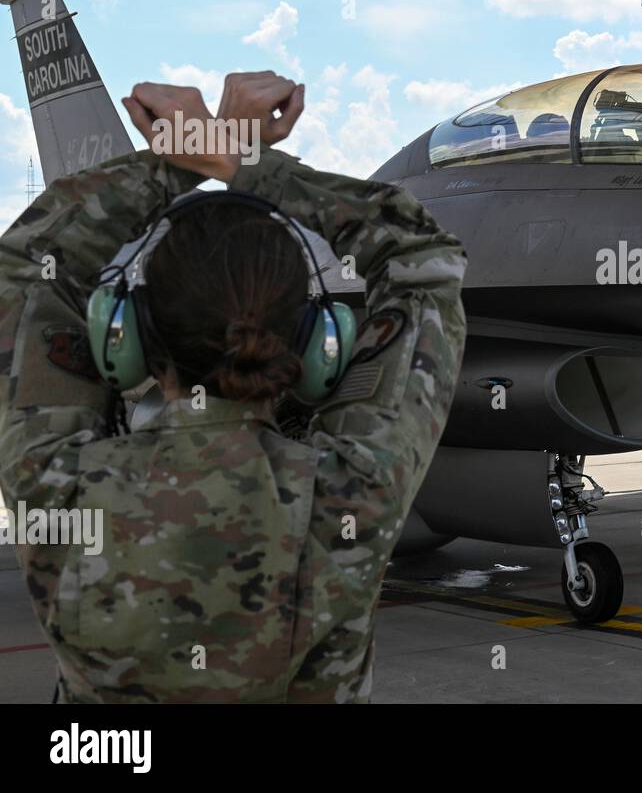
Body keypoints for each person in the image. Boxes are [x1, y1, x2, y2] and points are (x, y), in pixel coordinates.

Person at [0, 72, 467, 702]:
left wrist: (178, 158)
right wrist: (245, 160)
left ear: (129, 338)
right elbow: (421, 259)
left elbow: (27, 269)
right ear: (312, 344)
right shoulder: (353, 489)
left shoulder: (54, 483)